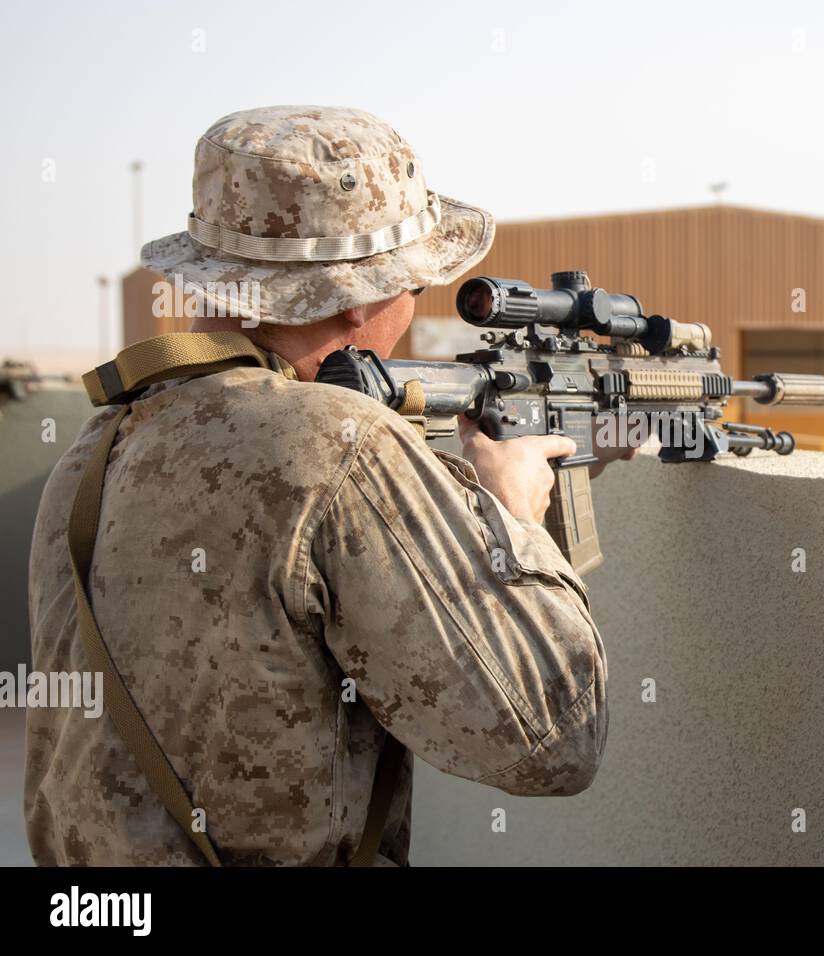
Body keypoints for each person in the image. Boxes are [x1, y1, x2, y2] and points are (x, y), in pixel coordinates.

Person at [26, 106, 614, 866]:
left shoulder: (100, 442)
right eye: (418, 282)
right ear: (362, 298)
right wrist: (513, 519)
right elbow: (552, 740)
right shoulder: (344, 445)